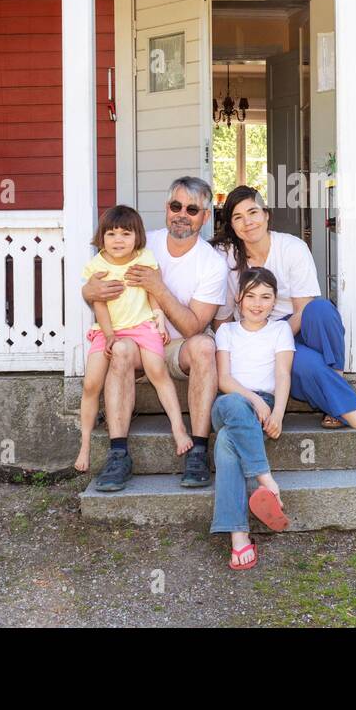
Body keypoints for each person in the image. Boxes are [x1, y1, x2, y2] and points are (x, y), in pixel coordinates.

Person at [213, 185, 356, 483]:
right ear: (232, 225)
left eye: (253, 212)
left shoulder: (290, 247)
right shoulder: (228, 258)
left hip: (296, 327)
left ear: (266, 215)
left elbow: (303, 310)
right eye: (237, 217)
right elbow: (224, 316)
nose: (247, 221)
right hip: (261, 336)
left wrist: (277, 338)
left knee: (321, 309)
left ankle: (336, 383)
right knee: (307, 366)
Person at [82, 177, 230, 492]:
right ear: (166, 208)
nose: (182, 214)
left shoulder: (212, 263)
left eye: (192, 209)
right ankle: (118, 454)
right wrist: (88, 289)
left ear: (205, 217)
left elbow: (193, 327)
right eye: (176, 206)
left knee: (204, 345)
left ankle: (199, 450)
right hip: (136, 342)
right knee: (119, 348)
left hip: (177, 348)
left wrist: (157, 287)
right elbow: (96, 278)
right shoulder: (140, 243)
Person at [74, 205, 191, 483]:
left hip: (141, 326)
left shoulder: (144, 258)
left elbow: (152, 291)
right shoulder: (98, 266)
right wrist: (110, 334)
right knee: (91, 383)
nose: (118, 240)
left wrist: (159, 319)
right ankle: (85, 445)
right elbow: (99, 304)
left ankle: (178, 429)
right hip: (108, 330)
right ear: (101, 237)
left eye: (125, 234)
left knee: (158, 372)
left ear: (137, 236)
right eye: (111, 234)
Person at [211, 267, 294, 570]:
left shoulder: (280, 330)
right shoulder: (227, 331)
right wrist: (256, 400)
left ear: (274, 302)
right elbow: (223, 379)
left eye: (265, 297)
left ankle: (238, 536)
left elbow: (283, 374)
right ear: (238, 299)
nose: (257, 304)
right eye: (251, 297)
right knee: (234, 403)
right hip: (230, 404)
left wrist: (278, 414)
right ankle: (266, 479)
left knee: (225, 443)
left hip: (265, 405)